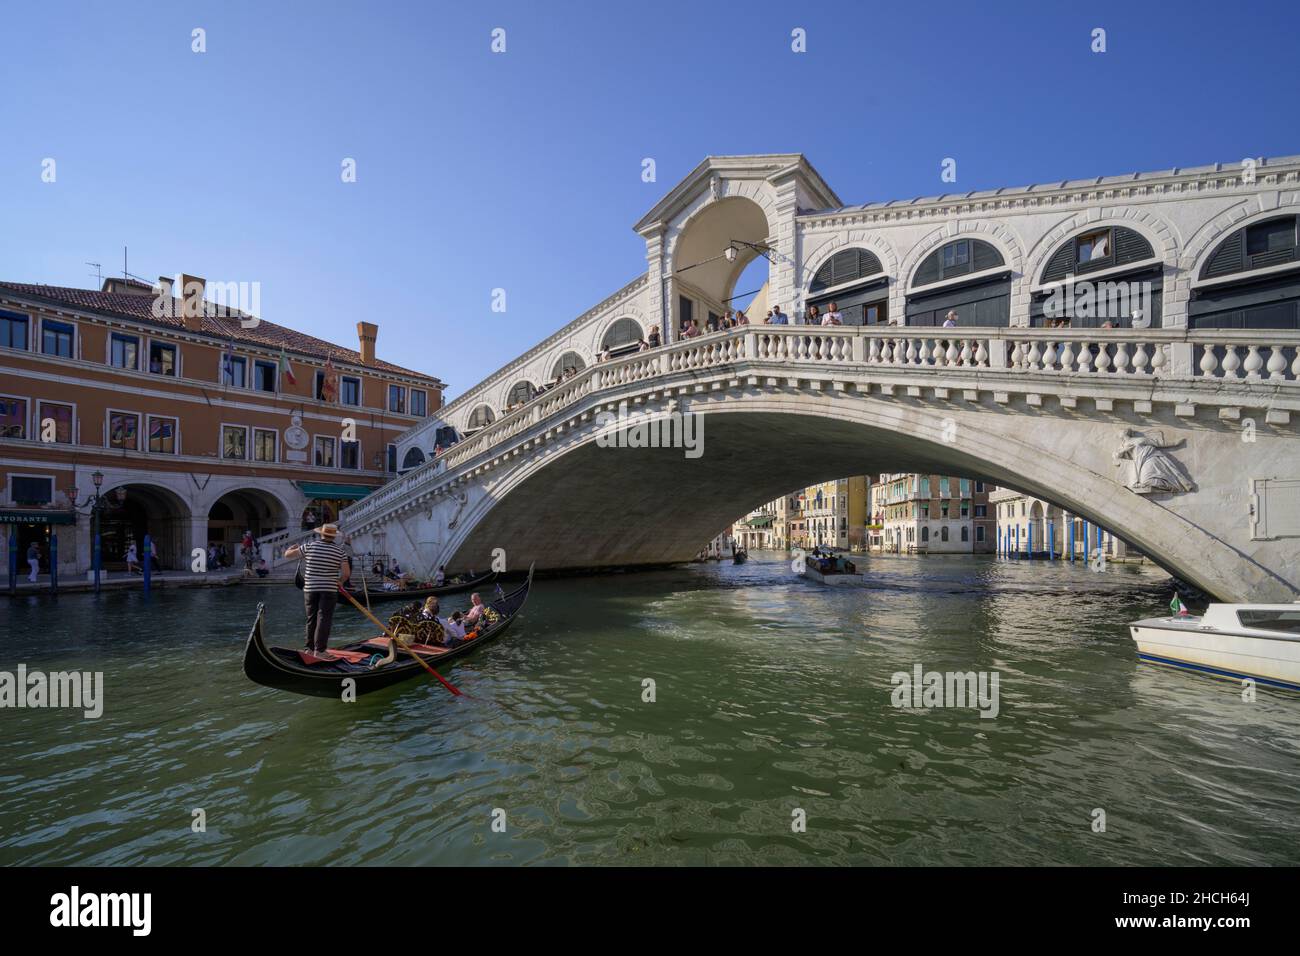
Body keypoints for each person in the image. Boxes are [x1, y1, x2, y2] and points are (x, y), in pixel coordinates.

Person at [283, 523, 351, 656]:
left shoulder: (310, 546)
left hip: (310, 588)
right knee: (324, 618)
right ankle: (320, 650)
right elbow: (346, 573)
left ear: (321, 534)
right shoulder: (340, 551)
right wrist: (340, 582)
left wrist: (290, 548)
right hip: (329, 589)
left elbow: (288, 555)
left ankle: (308, 648)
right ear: (334, 537)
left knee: (311, 618)